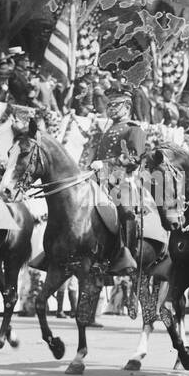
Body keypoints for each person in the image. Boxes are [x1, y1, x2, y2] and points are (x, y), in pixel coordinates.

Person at [79, 81, 143, 275]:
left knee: (125, 211)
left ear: (128, 106)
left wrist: (106, 164)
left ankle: (126, 254)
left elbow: (133, 158)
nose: (111, 109)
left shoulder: (134, 129)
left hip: (122, 180)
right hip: (99, 178)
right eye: (109, 105)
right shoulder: (107, 130)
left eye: (116, 105)